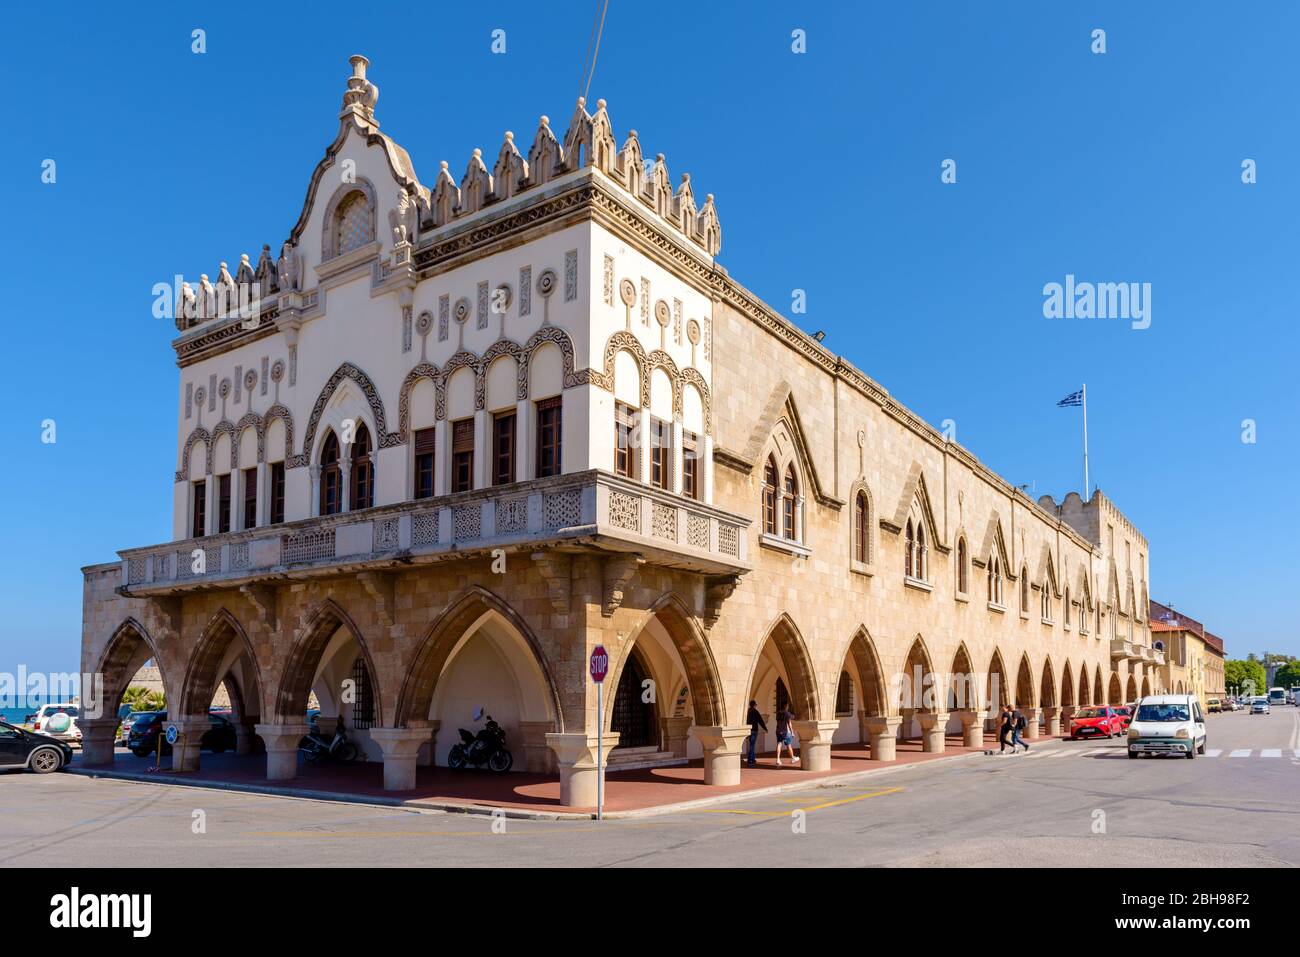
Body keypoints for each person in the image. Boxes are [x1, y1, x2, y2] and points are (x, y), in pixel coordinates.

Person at [745, 700, 768, 768]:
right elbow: (760, 720)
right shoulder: (755, 711)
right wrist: (765, 728)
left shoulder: (747, 712)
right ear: (754, 705)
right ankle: (750, 760)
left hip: (749, 730)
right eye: (756, 704)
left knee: (752, 745)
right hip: (754, 730)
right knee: (752, 745)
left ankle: (753, 758)